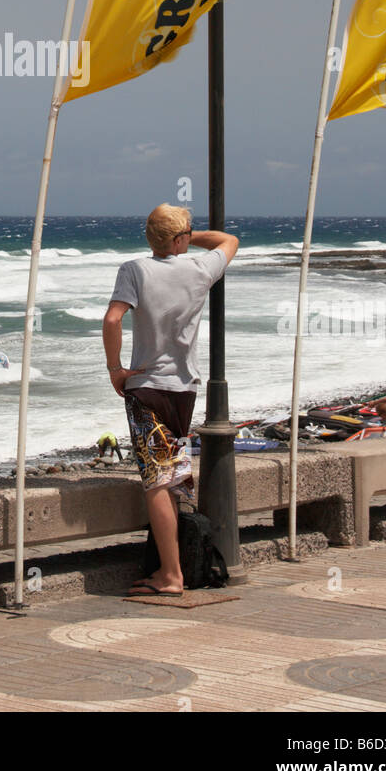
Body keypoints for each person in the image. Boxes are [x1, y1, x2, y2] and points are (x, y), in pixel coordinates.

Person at [102, 204, 239, 597]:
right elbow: (229, 241)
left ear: (150, 237)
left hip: (146, 387)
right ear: (179, 238)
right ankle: (172, 568)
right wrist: (187, 238)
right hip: (184, 389)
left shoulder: (134, 269)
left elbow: (113, 319)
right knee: (173, 476)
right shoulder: (199, 269)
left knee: (157, 483)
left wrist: (115, 368)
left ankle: (171, 575)